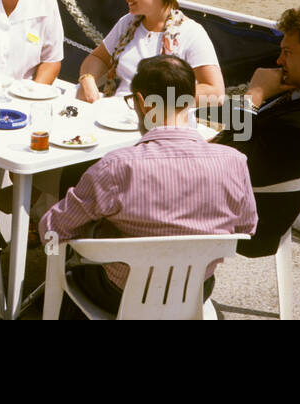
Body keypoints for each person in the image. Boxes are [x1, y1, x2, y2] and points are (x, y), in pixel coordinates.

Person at [39, 54, 257, 314]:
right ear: (189, 99)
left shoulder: (116, 167)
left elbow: (53, 229)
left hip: (119, 293)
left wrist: (89, 241)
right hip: (196, 290)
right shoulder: (235, 162)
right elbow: (246, 227)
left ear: (143, 103)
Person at [212, 2, 300, 256]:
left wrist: (254, 96)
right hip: (242, 182)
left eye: (287, 52)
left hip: (238, 222)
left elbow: (226, 165)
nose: (279, 60)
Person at [75, 0, 225, 104]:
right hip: (117, 112)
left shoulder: (191, 33)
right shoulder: (127, 23)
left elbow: (216, 93)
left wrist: (164, 99)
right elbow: (98, 58)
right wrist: (87, 79)